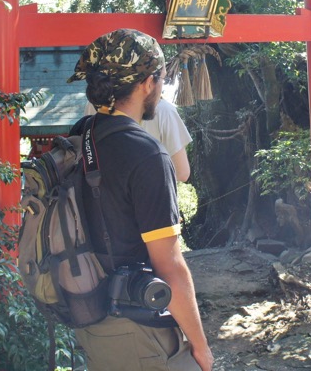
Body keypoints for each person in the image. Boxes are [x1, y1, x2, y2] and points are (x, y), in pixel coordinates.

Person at [67, 28, 213, 371]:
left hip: (89, 313)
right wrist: (201, 346)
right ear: (147, 82)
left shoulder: (81, 133)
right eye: (162, 78)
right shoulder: (146, 154)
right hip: (137, 326)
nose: (162, 88)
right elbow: (170, 266)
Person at [85, 98, 192, 182]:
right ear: (148, 82)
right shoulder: (164, 110)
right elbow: (182, 172)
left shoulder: (94, 104)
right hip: (146, 200)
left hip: (101, 199)